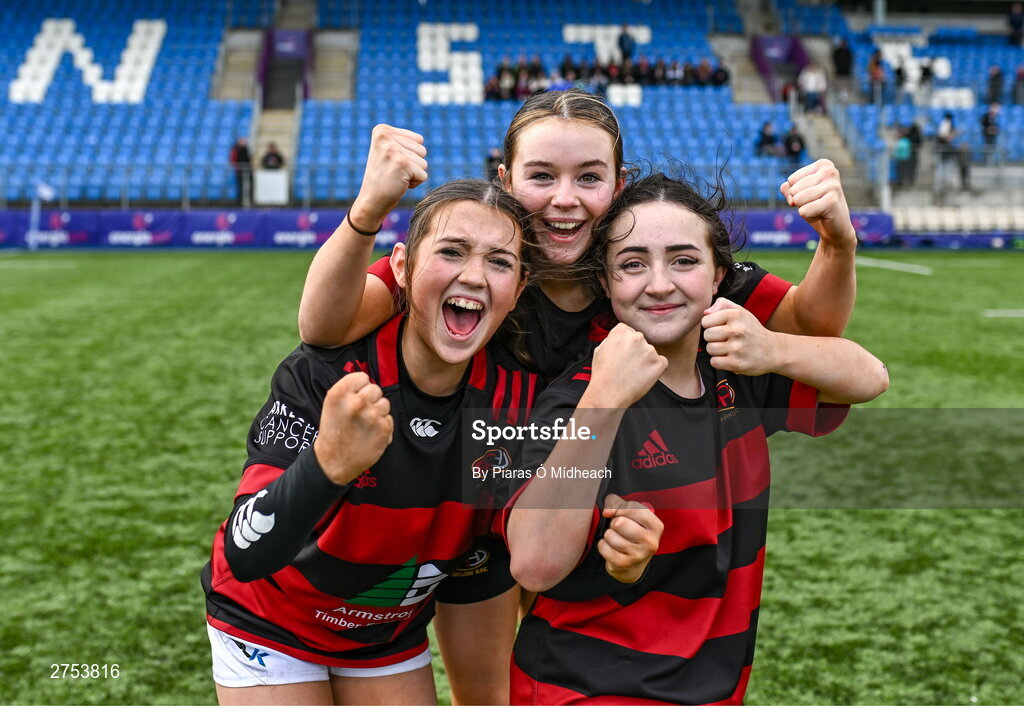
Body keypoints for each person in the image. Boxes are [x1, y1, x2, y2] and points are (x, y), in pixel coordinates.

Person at [503, 171, 889, 705]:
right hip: (584, 687)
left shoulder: (736, 368)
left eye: (683, 260)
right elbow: (533, 563)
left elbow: (869, 376)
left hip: (712, 685)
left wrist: (775, 348)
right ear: (606, 283)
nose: (659, 283)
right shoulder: (579, 397)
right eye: (632, 264)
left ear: (718, 277)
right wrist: (603, 404)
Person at [203, 127, 541, 705]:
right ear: (403, 268)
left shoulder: (520, 397)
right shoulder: (328, 374)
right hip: (269, 620)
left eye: (500, 262)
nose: (474, 276)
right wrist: (328, 465)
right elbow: (247, 551)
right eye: (452, 251)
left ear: (519, 288)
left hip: (386, 634)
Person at [229, 137, 252, 206]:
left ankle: (249, 199)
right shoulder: (235, 149)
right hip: (239, 170)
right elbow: (233, 160)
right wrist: (237, 166)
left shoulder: (246, 149)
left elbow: (249, 158)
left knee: (248, 185)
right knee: (240, 186)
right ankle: (240, 201)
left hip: (247, 170)